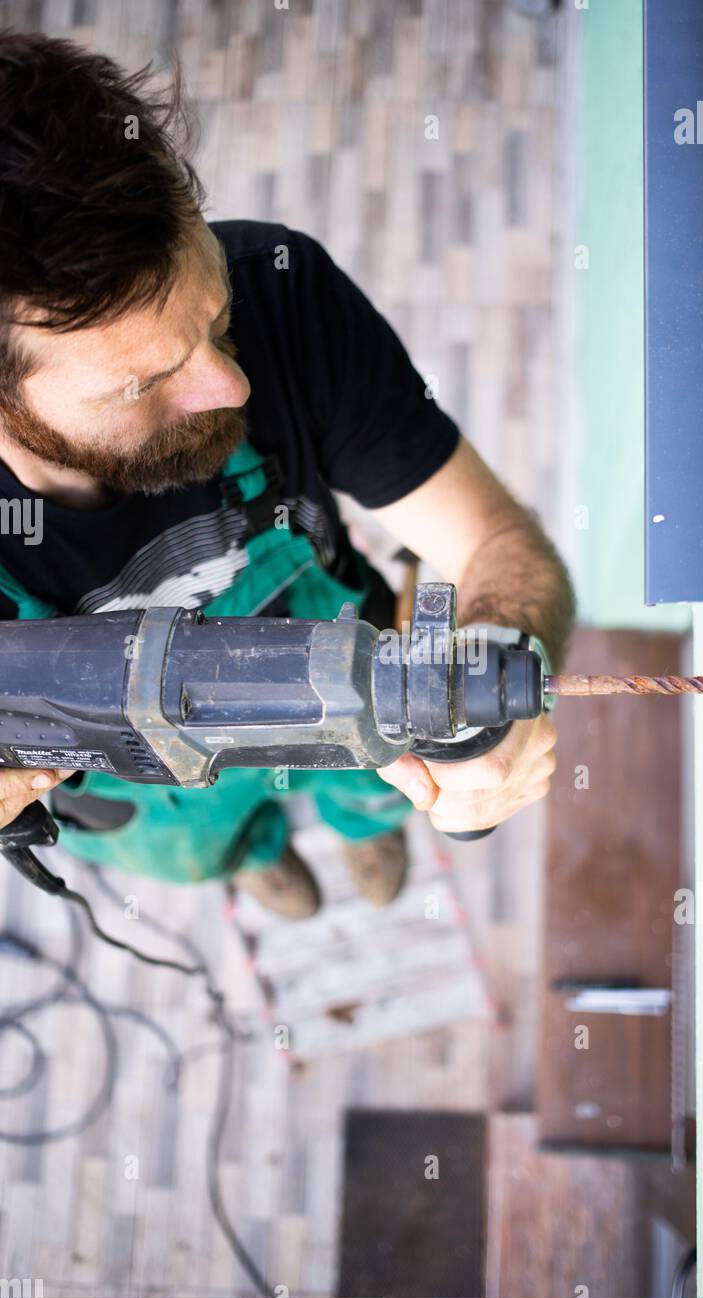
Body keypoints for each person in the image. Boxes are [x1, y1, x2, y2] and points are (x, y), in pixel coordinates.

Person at [0, 33, 574, 918]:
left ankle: (363, 825)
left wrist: (496, 675)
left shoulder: (283, 285)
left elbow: (494, 542)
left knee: (377, 784)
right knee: (197, 852)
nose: (229, 386)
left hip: (360, 683)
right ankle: (251, 853)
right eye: (146, 383)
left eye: (217, 320)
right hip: (146, 799)